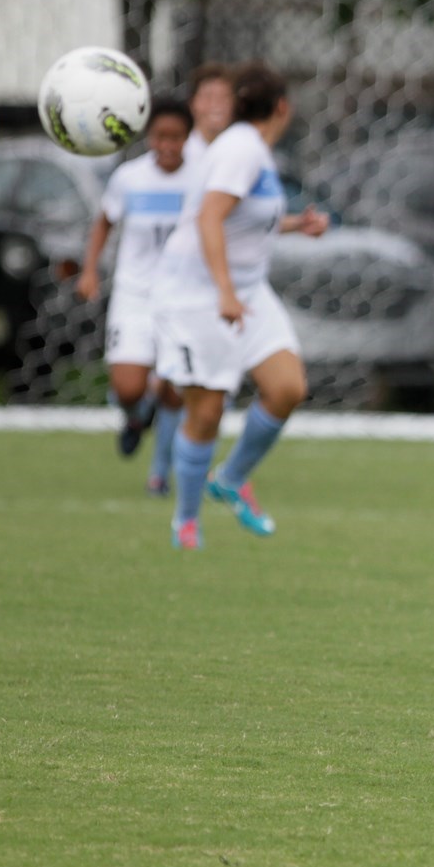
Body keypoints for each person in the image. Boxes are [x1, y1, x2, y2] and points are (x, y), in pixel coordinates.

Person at [153, 61, 329, 550]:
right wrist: (225, 291)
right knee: (207, 412)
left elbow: (242, 220)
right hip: (198, 294)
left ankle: (229, 479)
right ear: (282, 107)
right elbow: (209, 218)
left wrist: (296, 225)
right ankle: (187, 523)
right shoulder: (242, 150)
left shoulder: (251, 149)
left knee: (287, 388)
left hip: (247, 291)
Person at [75, 97, 194, 492]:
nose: (167, 145)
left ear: (188, 137)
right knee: (128, 388)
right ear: (148, 137)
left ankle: (160, 473)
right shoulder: (130, 177)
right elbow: (104, 222)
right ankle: (136, 416)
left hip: (183, 298)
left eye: (176, 137)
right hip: (134, 295)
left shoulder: (201, 178)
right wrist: (90, 270)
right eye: (160, 136)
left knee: (177, 389)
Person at [184, 63, 234, 160]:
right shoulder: (181, 154)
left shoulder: (242, 151)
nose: (216, 104)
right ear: (192, 103)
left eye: (224, 96)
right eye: (208, 96)